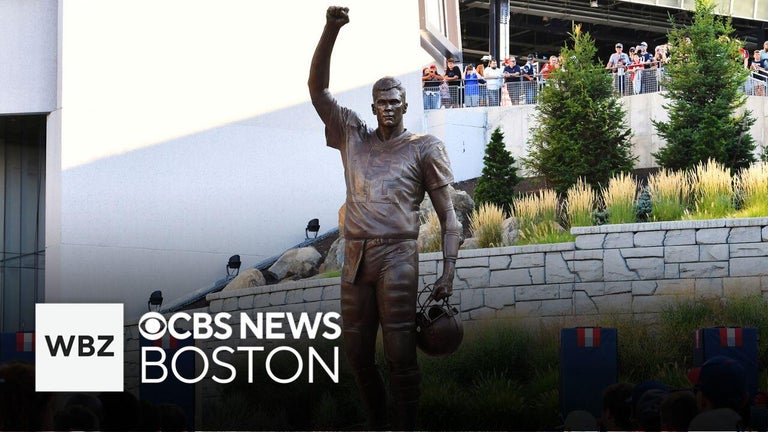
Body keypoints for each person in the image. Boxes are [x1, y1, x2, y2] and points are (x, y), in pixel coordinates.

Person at [308, 6, 461, 429]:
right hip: (355, 255)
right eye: (381, 102)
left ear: (405, 103)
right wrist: (330, 29)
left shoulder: (424, 147)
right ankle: (379, 423)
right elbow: (318, 90)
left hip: (397, 255)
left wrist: (448, 272)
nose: (388, 108)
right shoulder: (352, 135)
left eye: (395, 101)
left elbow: (450, 217)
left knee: (400, 354)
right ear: (373, 107)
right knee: (356, 356)